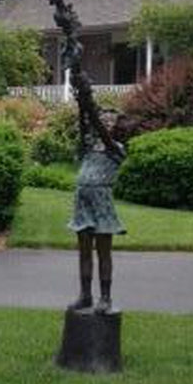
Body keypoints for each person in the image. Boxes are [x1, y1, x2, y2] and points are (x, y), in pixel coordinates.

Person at [67, 85, 131, 313]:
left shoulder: (117, 148)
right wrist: (81, 105)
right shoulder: (88, 147)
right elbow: (86, 126)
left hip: (102, 200)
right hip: (82, 200)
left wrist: (89, 107)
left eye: (110, 120)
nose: (105, 122)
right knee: (84, 252)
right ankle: (85, 295)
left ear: (118, 127)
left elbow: (97, 127)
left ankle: (105, 298)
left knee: (103, 251)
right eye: (103, 117)